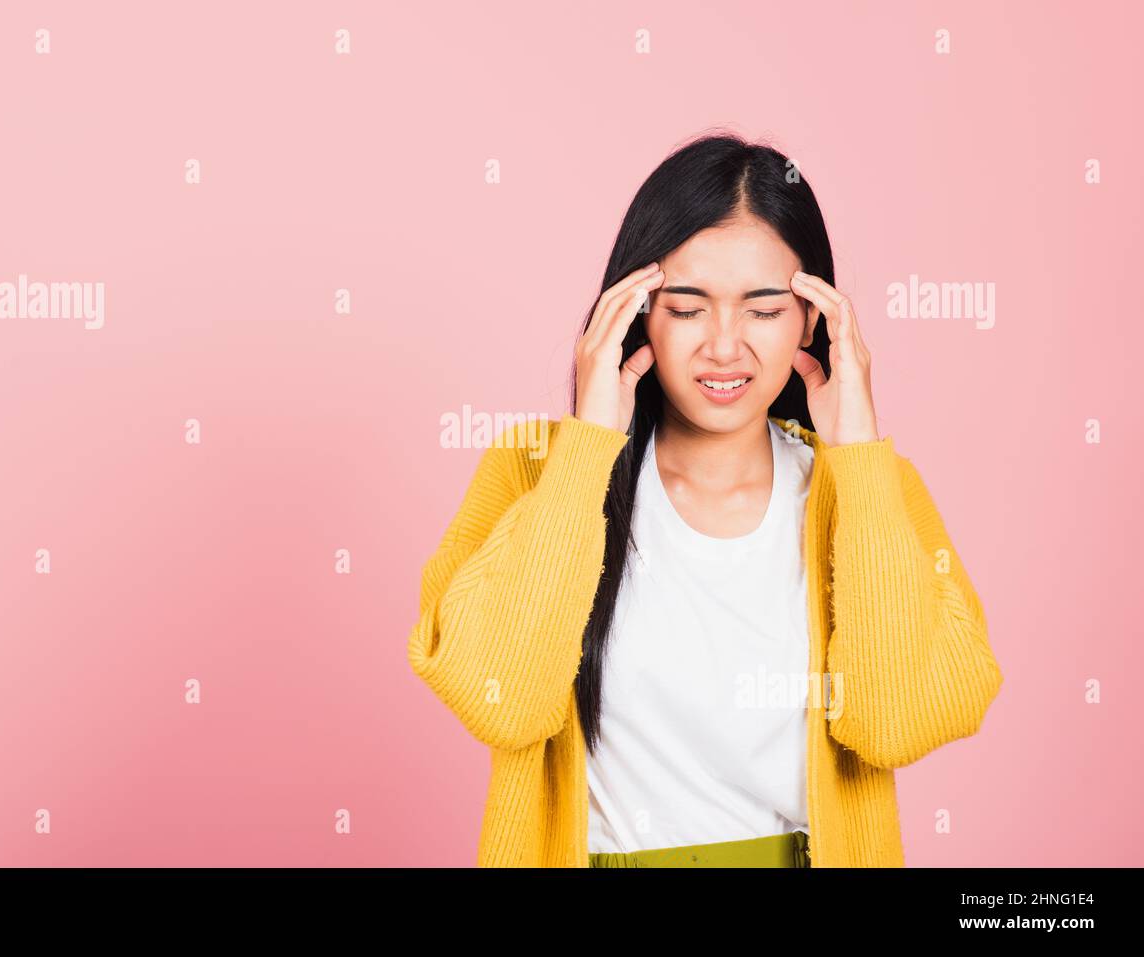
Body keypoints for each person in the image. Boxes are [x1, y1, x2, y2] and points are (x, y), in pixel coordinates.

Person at [407, 131, 1003, 867]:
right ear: (634, 315)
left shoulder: (872, 489)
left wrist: (859, 458)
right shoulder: (537, 470)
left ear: (814, 320)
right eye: (688, 308)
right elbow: (500, 698)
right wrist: (586, 449)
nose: (725, 346)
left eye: (763, 309)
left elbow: (898, 723)